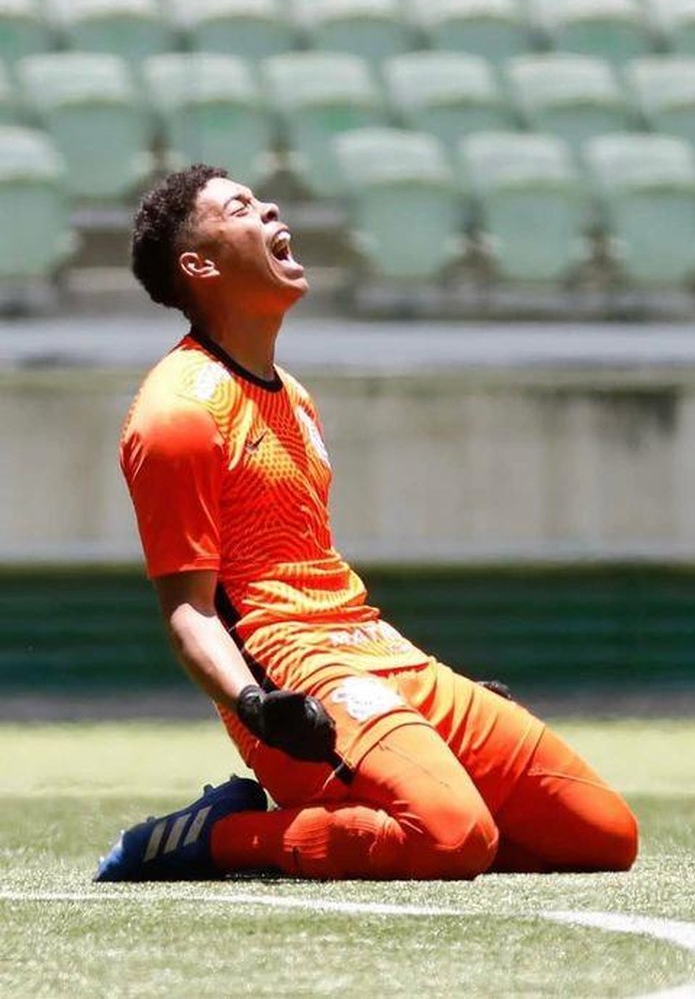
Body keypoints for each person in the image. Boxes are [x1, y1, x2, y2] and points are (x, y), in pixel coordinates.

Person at [95, 164, 638, 882]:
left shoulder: (294, 397)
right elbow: (190, 612)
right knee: (451, 839)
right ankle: (220, 835)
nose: (270, 207)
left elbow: (311, 564)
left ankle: (431, 799)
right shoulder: (177, 413)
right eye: (241, 207)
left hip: (377, 651)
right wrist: (257, 705)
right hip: (293, 672)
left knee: (604, 835)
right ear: (198, 263)